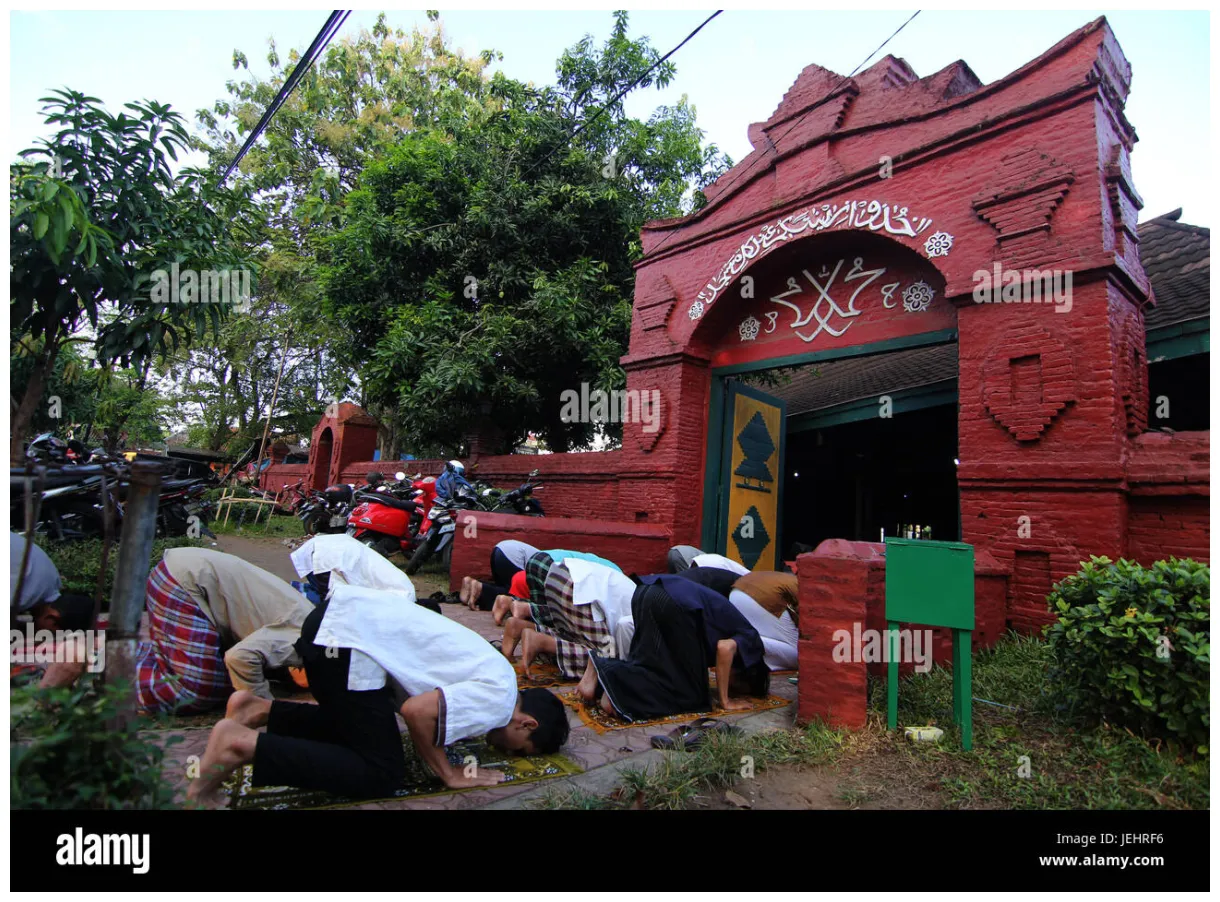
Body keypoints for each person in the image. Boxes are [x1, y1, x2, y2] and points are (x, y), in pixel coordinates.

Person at [186, 583, 570, 807]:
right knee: (382, 772)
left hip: (337, 626)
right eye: (519, 748)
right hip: (345, 644)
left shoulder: (500, 676)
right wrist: (448, 773)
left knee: (364, 734)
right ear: (526, 723)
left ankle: (256, 709)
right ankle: (239, 745)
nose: (507, 752)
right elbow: (416, 711)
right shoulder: (500, 701)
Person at [135, 548, 313, 715]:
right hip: (183, 580)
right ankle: (116, 673)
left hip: (188, 572)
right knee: (197, 690)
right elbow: (239, 658)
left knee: (222, 679)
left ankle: (135, 654)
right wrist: (265, 709)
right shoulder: (306, 638)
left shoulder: (315, 626)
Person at [576, 574, 770, 722]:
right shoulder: (752, 642)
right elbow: (724, 648)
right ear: (749, 673)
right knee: (693, 697)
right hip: (674, 604)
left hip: (648, 591)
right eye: (740, 688)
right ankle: (610, 678)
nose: (734, 686)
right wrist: (725, 701)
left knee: (654, 667)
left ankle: (604, 674)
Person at [502, 555, 636, 679]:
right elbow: (624, 628)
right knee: (607, 660)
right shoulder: (643, 613)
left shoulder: (639, 594)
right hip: (580, 591)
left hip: (560, 576)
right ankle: (541, 643)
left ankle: (524, 628)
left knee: (575, 637)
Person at [490, 548, 622, 625]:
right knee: (564, 617)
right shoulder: (619, 579)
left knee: (547, 608)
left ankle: (510, 603)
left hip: (539, 560)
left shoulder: (610, 568)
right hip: (555, 568)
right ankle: (523, 611)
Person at [290, 533, 417, 601]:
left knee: (328, 594)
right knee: (330, 599)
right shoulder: (405, 596)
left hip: (330, 548)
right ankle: (295, 593)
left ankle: (294, 591)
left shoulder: (405, 589)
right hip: (330, 554)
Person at [728, 571, 800, 671]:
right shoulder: (806, 588)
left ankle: (737, 645)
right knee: (799, 656)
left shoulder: (792, 579)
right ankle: (737, 644)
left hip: (737, 591)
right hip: (765, 598)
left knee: (759, 635)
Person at [459, 539, 539, 611]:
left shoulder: (543, 554)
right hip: (513, 556)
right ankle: (481, 589)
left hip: (499, 549)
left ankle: (470, 584)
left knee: (502, 588)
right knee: (515, 595)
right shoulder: (549, 566)